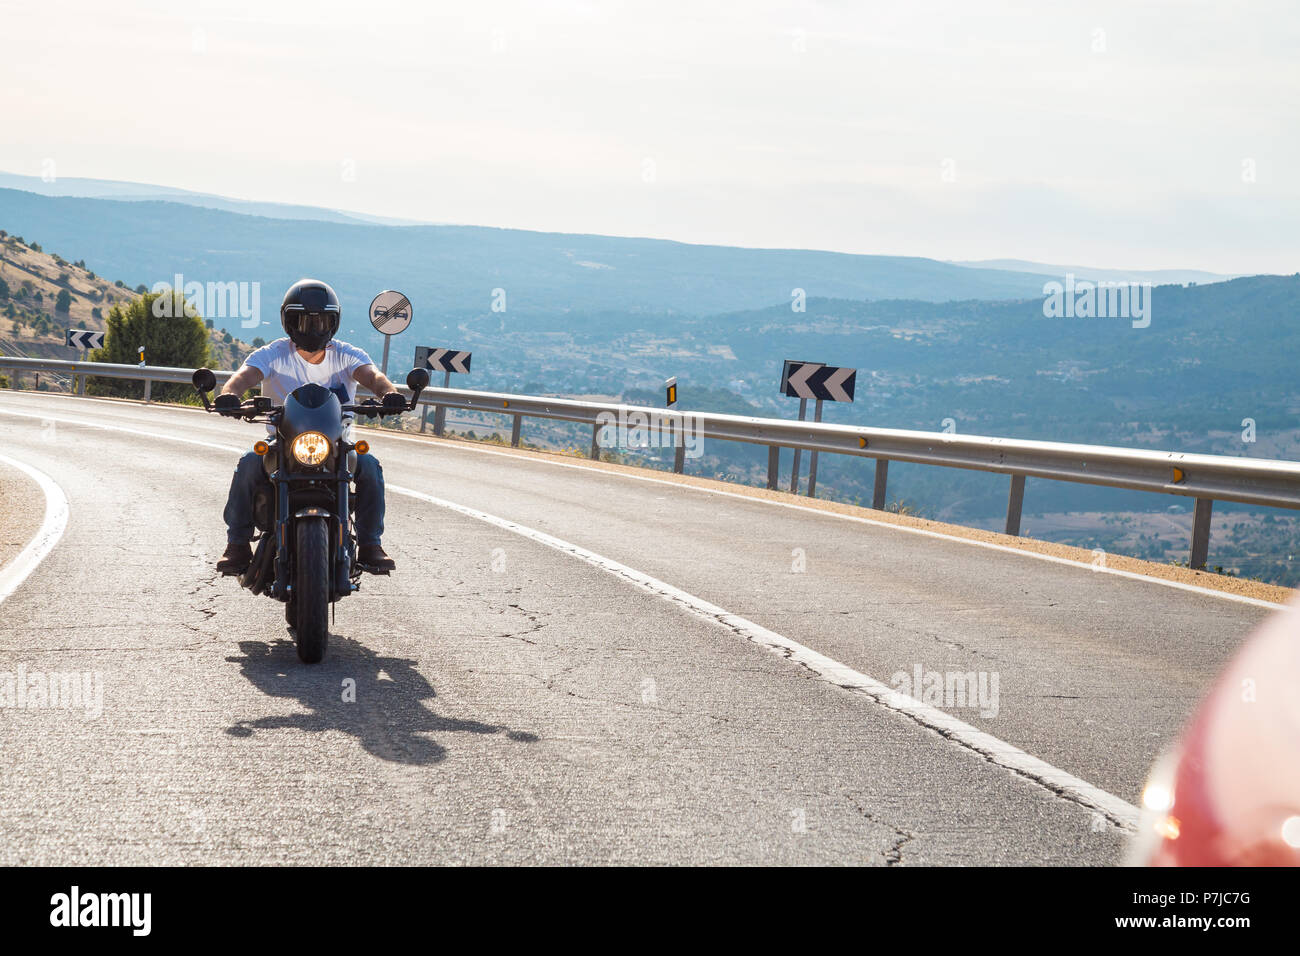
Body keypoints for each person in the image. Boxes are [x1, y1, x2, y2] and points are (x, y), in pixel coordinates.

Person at [215, 278, 402, 574]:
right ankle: (236, 544)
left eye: (321, 321)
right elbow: (244, 376)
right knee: (249, 464)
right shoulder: (272, 354)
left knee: (369, 466)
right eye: (302, 320)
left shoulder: (347, 354)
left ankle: (370, 543)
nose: (312, 328)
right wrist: (229, 394)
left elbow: (373, 375)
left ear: (334, 322)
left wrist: (388, 393)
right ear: (288, 321)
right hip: (283, 444)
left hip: (337, 445)